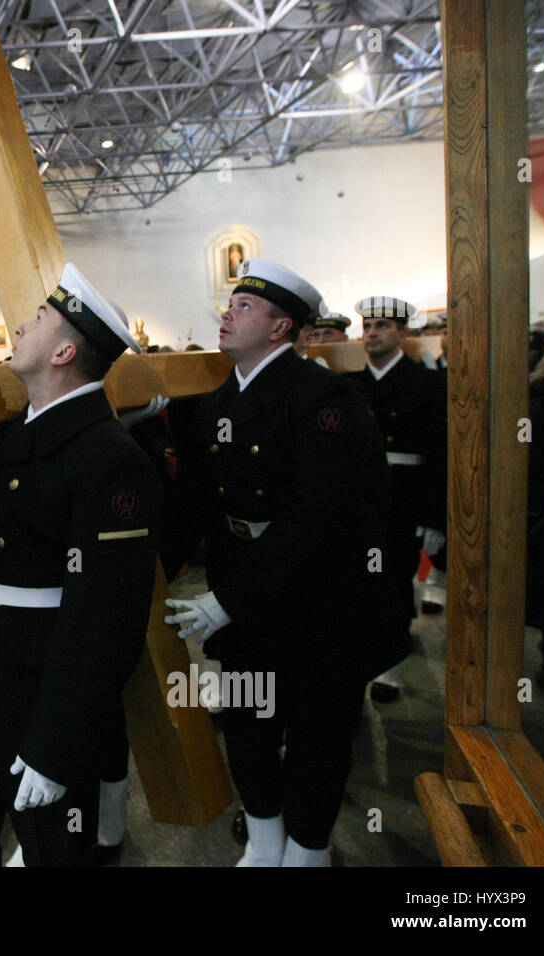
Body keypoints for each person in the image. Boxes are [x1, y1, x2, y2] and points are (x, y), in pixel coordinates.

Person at [0, 262, 162, 867]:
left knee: (55, 853)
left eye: (37, 320)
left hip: (42, 701)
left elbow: (105, 622)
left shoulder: (110, 458)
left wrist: (57, 745)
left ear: (63, 349)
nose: (19, 327)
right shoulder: (16, 433)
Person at [165, 259, 401, 866]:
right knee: (248, 722)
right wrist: (150, 571)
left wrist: (225, 602)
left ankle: (308, 848)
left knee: (317, 733)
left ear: (280, 327)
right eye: (231, 303)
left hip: (323, 596)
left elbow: (320, 514)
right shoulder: (218, 401)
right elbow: (193, 500)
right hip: (244, 586)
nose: (228, 311)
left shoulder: (322, 396)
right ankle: (265, 837)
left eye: (244, 306)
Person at [345, 297, 446, 703]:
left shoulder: (426, 384)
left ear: (403, 334)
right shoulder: (350, 385)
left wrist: (436, 517)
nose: (372, 334)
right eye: (367, 326)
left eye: (382, 326)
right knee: (354, 583)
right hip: (358, 502)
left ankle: (393, 661)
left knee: (395, 582)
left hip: (403, 500)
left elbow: (439, 456)